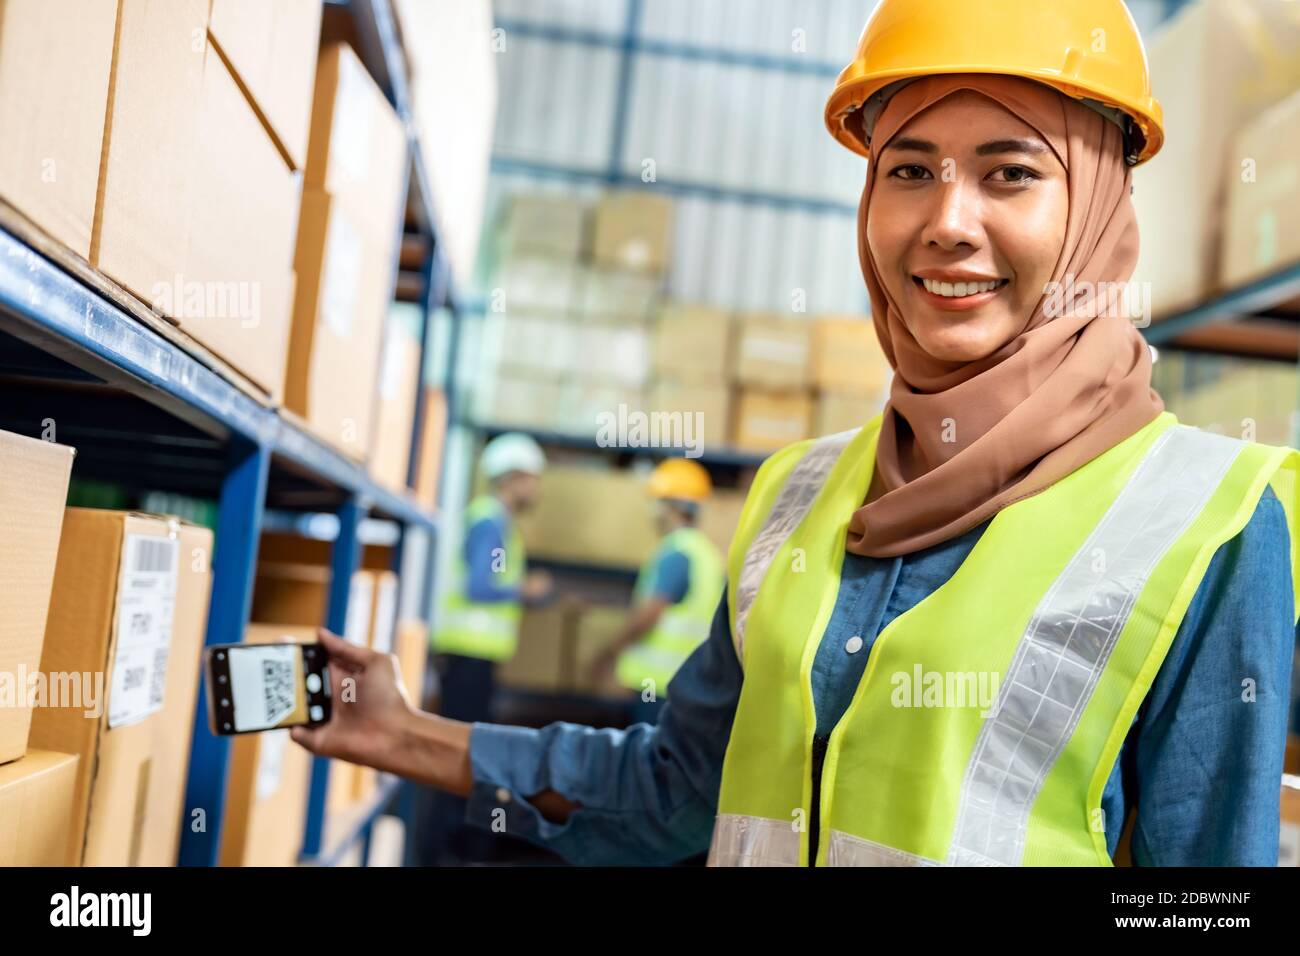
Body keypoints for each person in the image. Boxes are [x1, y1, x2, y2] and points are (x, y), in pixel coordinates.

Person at [294, 0, 1300, 866]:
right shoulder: (798, 492)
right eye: (909, 170)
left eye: (1009, 174)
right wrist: (405, 733)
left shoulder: (1203, 521)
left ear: (1096, 206)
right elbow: (677, 790)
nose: (948, 220)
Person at [417, 432, 552, 863]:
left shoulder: (495, 521)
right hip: (468, 659)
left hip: (474, 659)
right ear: (512, 477)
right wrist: (526, 590)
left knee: (467, 753)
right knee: (462, 756)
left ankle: (456, 847)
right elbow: (480, 585)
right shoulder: (490, 520)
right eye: (532, 478)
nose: (536, 488)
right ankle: (450, 851)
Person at [587, 458, 725, 724]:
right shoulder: (707, 555)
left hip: (658, 686)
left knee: (645, 759)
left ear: (669, 507)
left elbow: (649, 614)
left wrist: (610, 652)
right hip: (688, 683)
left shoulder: (676, 552)